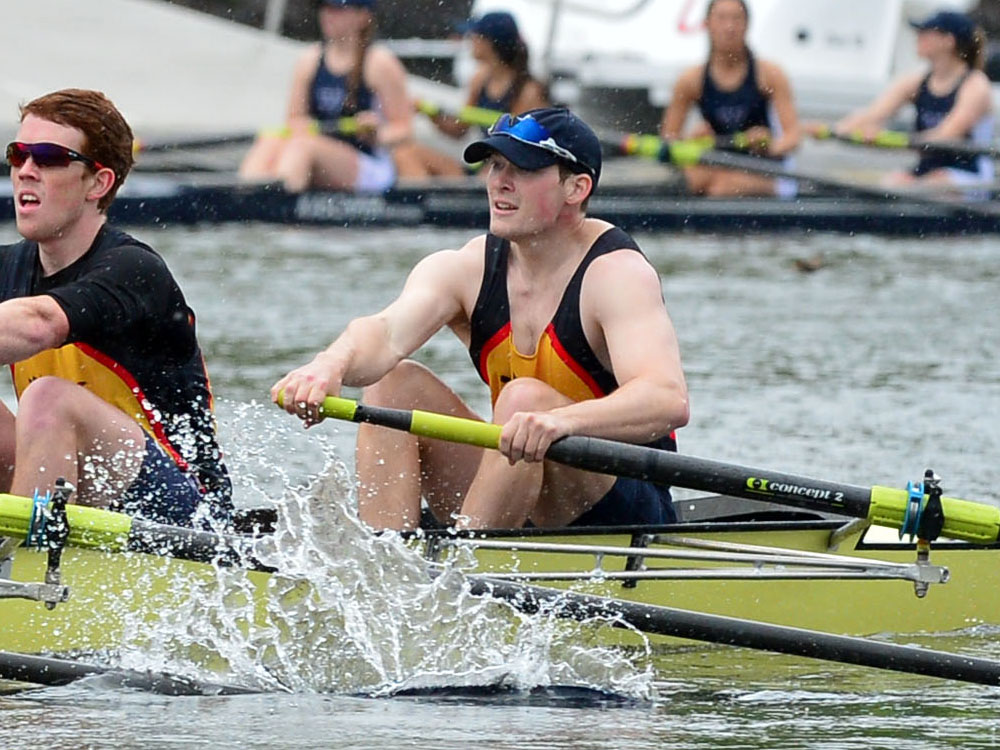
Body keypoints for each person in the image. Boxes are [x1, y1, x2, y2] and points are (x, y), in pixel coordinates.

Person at [273, 107, 689, 531]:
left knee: (523, 399)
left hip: (621, 509)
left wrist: (560, 422)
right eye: (495, 165)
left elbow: (666, 399)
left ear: (576, 187)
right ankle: (387, 563)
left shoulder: (616, 274)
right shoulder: (467, 267)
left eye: (522, 169)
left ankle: (465, 576)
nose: (499, 183)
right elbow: (383, 333)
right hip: (516, 481)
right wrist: (329, 366)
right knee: (393, 384)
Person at [0, 88, 232, 529]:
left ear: (99, 183)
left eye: (48, 157)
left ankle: (17, 573)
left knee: (48, 398)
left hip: (181, 515)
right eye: (18, 154)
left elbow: (39, 325)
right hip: (84, 489)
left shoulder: (134, 270)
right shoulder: (8, 265)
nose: (26, 171)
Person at [238, 0, 413, 193]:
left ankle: (275, 201)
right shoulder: (309, 59)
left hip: (370, 166)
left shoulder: (380, 63)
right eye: (325, 7)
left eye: (338, 9)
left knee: (303, 147)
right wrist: (300, 126)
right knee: (269, 140)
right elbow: (294, 120)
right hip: (319, 154)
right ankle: (244, 198)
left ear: (363, 17)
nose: (328, 15)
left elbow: (404, 130)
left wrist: (377, 135)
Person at [831, 10, 994, 187]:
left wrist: (887, 138)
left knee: (933, 184)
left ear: (948, 41)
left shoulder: (976, 86)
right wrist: (837, 129)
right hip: (928, 170)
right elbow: (873, 114)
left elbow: (946, 136)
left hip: (970, 174)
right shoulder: (915, 82)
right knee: (890, 184)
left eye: (925, 32)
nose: (917, 37)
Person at [659, 0, 800, 197]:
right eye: (722, 18)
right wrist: (691, 141)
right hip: (716, 164)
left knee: (723, 187)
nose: (729, 27)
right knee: (696, 179)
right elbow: (668, 142)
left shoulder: (769, 75)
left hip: (761, 168)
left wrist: (769, 145)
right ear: (707, 25)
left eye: (737, 19)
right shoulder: (690, 81)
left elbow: (793, 138)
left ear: (747, 25)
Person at [393, 11, 549, 179]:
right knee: (407, 154)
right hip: (484, 168)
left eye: (474, 37)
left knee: (492, 173)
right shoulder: (480, 79)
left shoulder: (528, 91)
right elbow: (459, 129)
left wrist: (495, 166)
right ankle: (428, 203)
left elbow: (521, 148)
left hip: (513, 173)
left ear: (489, 43)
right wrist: (430, 112)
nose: (470, 42)